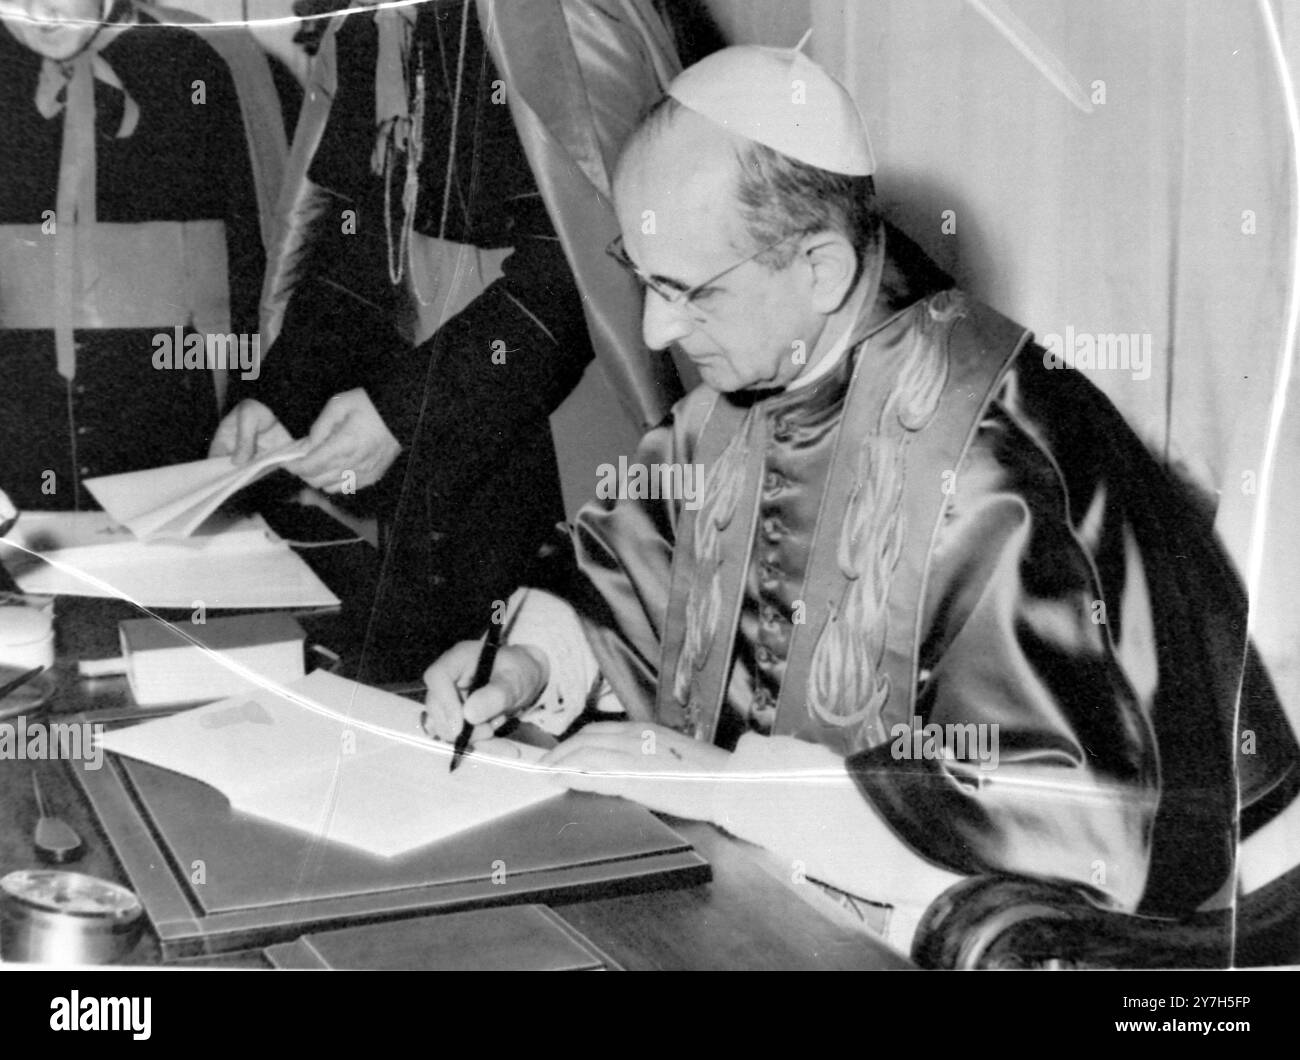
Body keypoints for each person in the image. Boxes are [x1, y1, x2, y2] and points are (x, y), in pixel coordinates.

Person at [422, 43, 1300, 946]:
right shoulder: (736, 397)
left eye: (686, 292)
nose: (654, 329)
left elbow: (1061, 816)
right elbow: (625, 580)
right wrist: (529, 662)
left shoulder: (989, 457)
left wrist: (727, 787)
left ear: (822, 269)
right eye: (643, 279)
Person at [210, 0, 683, 682]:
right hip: (418, 410)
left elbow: (582, 263)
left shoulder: (560, 15)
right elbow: (357, 237)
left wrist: (404, 410)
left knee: (541, 672)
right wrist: (283, 396)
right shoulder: (375, 23)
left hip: (552, 415)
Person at [0, 0, 290, 510]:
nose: (36, 11)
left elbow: (271, 252)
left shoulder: (208, 58)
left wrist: (264, 395)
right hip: (21, 426)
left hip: (179, 411)